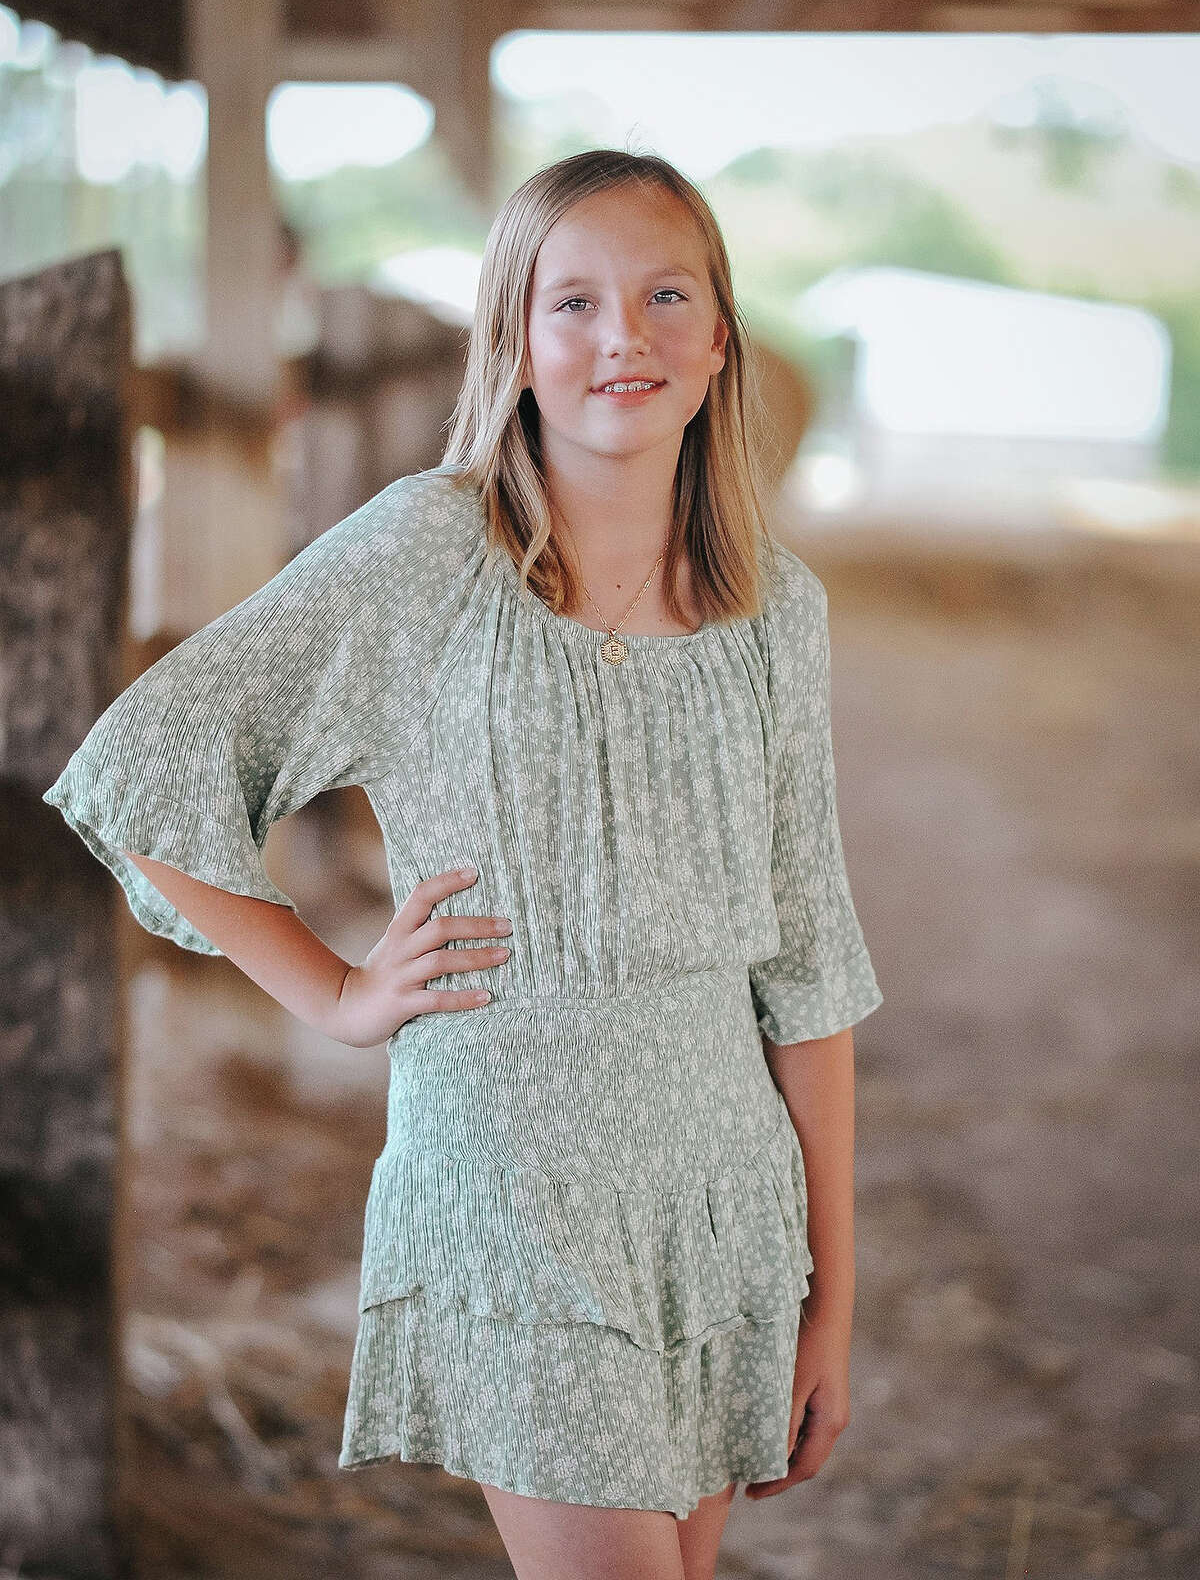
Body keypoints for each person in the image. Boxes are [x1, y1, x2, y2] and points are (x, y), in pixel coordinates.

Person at [41, 148, 883, 1580]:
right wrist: (329, 992)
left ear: (722, 333)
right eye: (575, 303)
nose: (625, 336)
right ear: (516, 342)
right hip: (514, 1189)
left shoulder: (771, 608)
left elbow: (808, 962)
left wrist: (831, 1297)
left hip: (724, 1202)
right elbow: (147, 764)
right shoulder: (429, 555)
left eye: (666, 294)